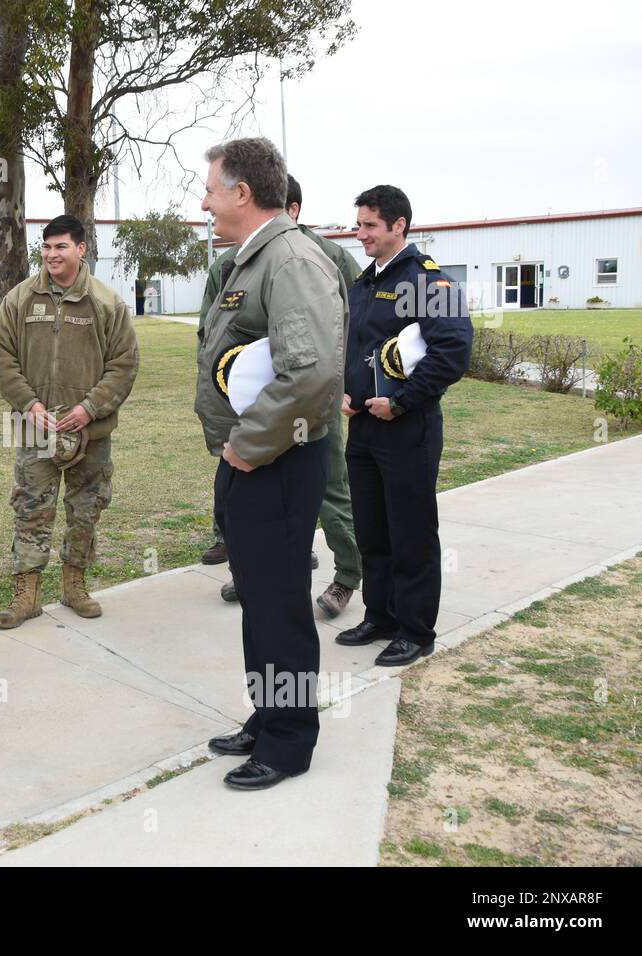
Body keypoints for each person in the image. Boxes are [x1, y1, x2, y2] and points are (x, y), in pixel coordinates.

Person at [195, 139, 346, 790]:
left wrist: (246, 446)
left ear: (241, 193)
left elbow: (310, 374)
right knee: (258, 600)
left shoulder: (290, 260)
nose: (203, 201)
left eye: (210, 189)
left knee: (280, 604)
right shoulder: (252, 259)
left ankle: (288, 743)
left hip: (276, 460)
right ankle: (269, 713)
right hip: (253, 459)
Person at [200, 175, 362, 618]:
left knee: (330, 488)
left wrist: (347, 385)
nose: (205, 205)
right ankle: (254, 567)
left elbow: (355, 325)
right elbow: (209, 335)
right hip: (251, 409)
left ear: (291, 209)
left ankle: (347, 574)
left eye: (212, 193)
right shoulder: (229, 263)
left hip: (309, 404)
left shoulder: (320, 257)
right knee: (250, 494)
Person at [336, 185, 472, 666]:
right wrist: (347, 395)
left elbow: (454, 351)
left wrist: (402, 402)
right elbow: (354, 350)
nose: (361, 234)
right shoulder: (363, 283)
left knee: (410, 531)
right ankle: (381, 616)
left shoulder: (425, 281)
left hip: (406, 428)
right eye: (359, 224)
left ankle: (416, 630)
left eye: (370, 225)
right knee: (372, 529)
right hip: (364, 429)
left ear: (400, 226)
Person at [0, 214, 139, 629]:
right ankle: (27, 593)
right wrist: (28, 404)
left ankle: (75, 585)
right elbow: (3, 356)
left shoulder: (107, 303)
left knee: (85, 508)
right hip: (36, 429)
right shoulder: (20, 300)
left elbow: (124, 364)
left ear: (81, 249)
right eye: (47, 247)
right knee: (31, 509)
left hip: (89, 432)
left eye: (61, 247)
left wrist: (89, 408)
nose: (52, 255)